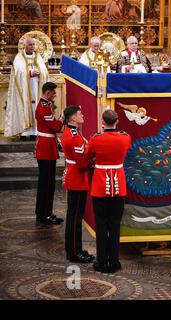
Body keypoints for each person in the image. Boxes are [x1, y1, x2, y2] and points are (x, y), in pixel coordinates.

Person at [86, 109, 131, 273]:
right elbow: (126, 147)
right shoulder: (125, 137)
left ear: (102, 122)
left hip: (99, 187)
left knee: (101, 225)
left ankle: (101, 262)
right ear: (117, 121)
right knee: (115, 225)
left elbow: (87, 156)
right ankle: (114, 261)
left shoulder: (95, 139)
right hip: (118, 186)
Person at [61, 105, 95, 263]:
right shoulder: (74, 136)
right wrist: (92, 159)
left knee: (74, 216)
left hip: (75, 177)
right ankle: (74, 252)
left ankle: (75, 249)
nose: (82, 115)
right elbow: (81, 163)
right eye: (80, 114)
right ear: (73, 118)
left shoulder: (72, 132)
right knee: (75, 218)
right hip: (77, 179)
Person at [5, 37, 48, 139]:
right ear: (24, 45)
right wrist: (29, 73)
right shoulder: (19, 58)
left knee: (35, 108)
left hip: (36, 88)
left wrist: (40, 73)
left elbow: (44, 71)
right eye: (30, 44)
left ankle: (34, 132)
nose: (32, 47)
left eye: (34, 44)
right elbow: (17, 73)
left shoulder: (37, 57)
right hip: (23, 89)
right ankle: (24, 133)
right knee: (23, 107)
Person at [35, 82, 64, 225]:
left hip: (47, 146)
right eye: (53, 93)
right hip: (45, 149)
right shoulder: (44, 109)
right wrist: (63, 118)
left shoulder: (45, 106)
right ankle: (45, 214)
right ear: (47, 94)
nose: (55, 95)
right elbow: (56, 127)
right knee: (47, 183)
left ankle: (43, 212)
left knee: (46, 182)